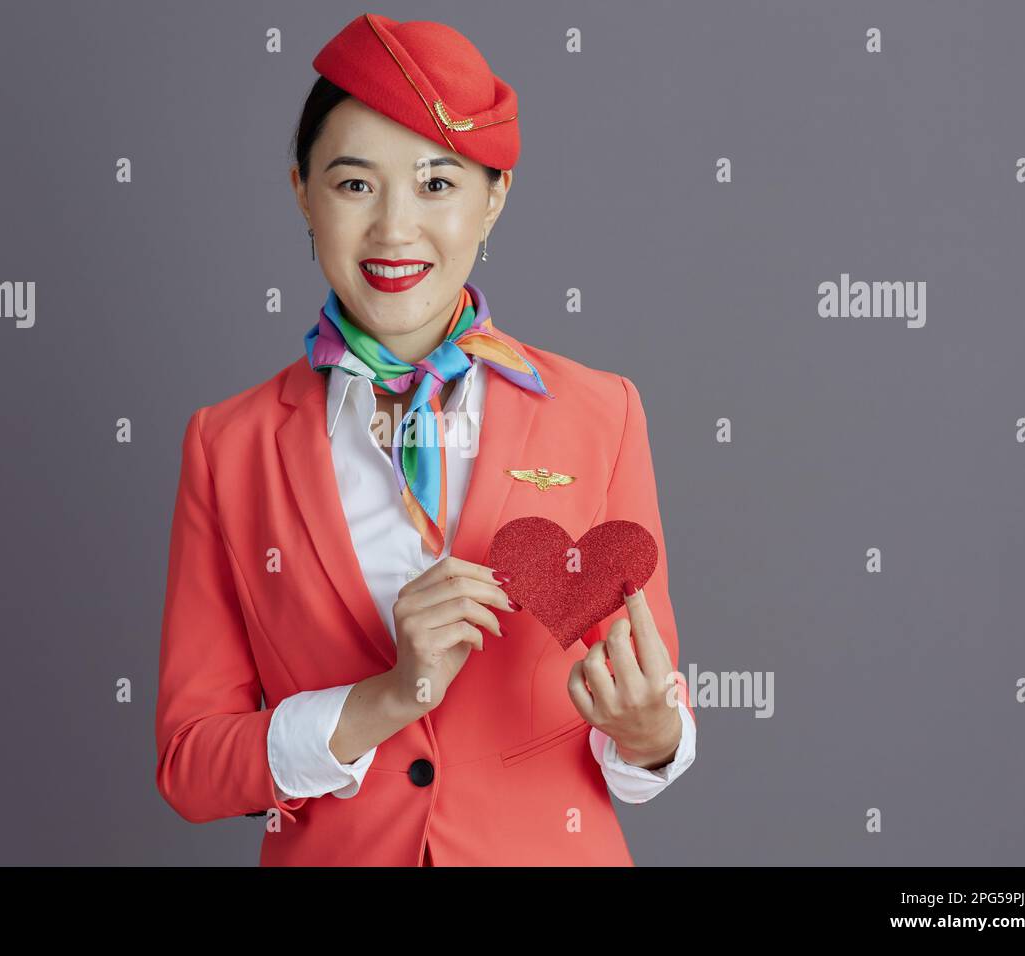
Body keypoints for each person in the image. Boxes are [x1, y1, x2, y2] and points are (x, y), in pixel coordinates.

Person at [154, 12, 696, 867]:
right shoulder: (229, 448)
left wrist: (653, 731)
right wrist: (386, 696)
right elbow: (191, 766)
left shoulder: (602, 413)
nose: (395, 230)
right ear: (301, 191)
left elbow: (652, 710)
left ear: (495, 197)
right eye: (355, 184)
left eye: (438, 184)